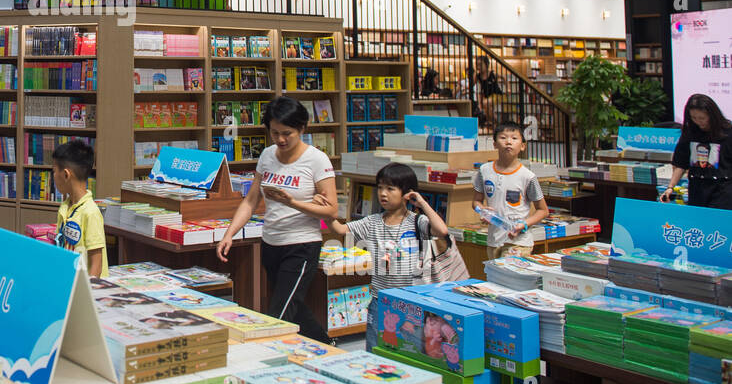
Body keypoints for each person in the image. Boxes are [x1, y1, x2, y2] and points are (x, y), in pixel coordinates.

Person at [218, 96, 335, 342]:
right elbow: (251, 201)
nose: (280, 139)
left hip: (302, 246)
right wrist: (229, 234)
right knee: (294, 306)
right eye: (274, 133)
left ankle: (266, 360)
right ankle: (327, 345)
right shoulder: (268, 155)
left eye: (287, 133)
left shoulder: (316, 160)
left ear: (302, 129)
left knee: (278, 314)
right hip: (271, 244)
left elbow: (331, 211)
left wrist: (291, 202)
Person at [328, 163, 449, 352]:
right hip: (380, 299)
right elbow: (340, 229)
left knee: (411, 351)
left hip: (412, 301)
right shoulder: (372, 222)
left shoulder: (417, 221)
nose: (383, 193)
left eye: (390, 188)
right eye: (380, 187)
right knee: (376, 350)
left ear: (407, 193)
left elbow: (442, 230)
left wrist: (422, 203)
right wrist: (324, 213)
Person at [474, 120, 549, 259]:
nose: (509, 142)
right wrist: (482, 210)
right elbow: (476, 201)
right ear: (495, 144)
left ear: (522, 146)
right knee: (495, 277)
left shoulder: (528, 176)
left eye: (514, 138)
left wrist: (524, 224)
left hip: (519, 241)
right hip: (493, 239)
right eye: (503, 138)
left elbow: (543, 210)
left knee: (509, 277)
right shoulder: (484, 170)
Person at [661, 94, 732, 209]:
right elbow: (680, 163)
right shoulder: (690, 133)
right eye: (694, 118)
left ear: (712, 115)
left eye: (702, 118)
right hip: (697, 189)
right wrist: (670, 187)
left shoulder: (728, 133)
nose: (699, 122)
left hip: (723, 190)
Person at [51, 139, 106, 277]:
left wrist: (86, 295)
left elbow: (96, 265)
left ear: (65, 175)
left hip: (87, 290)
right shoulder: (65, 207)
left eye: (54, 171)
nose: (53, 176)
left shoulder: (91, 212)